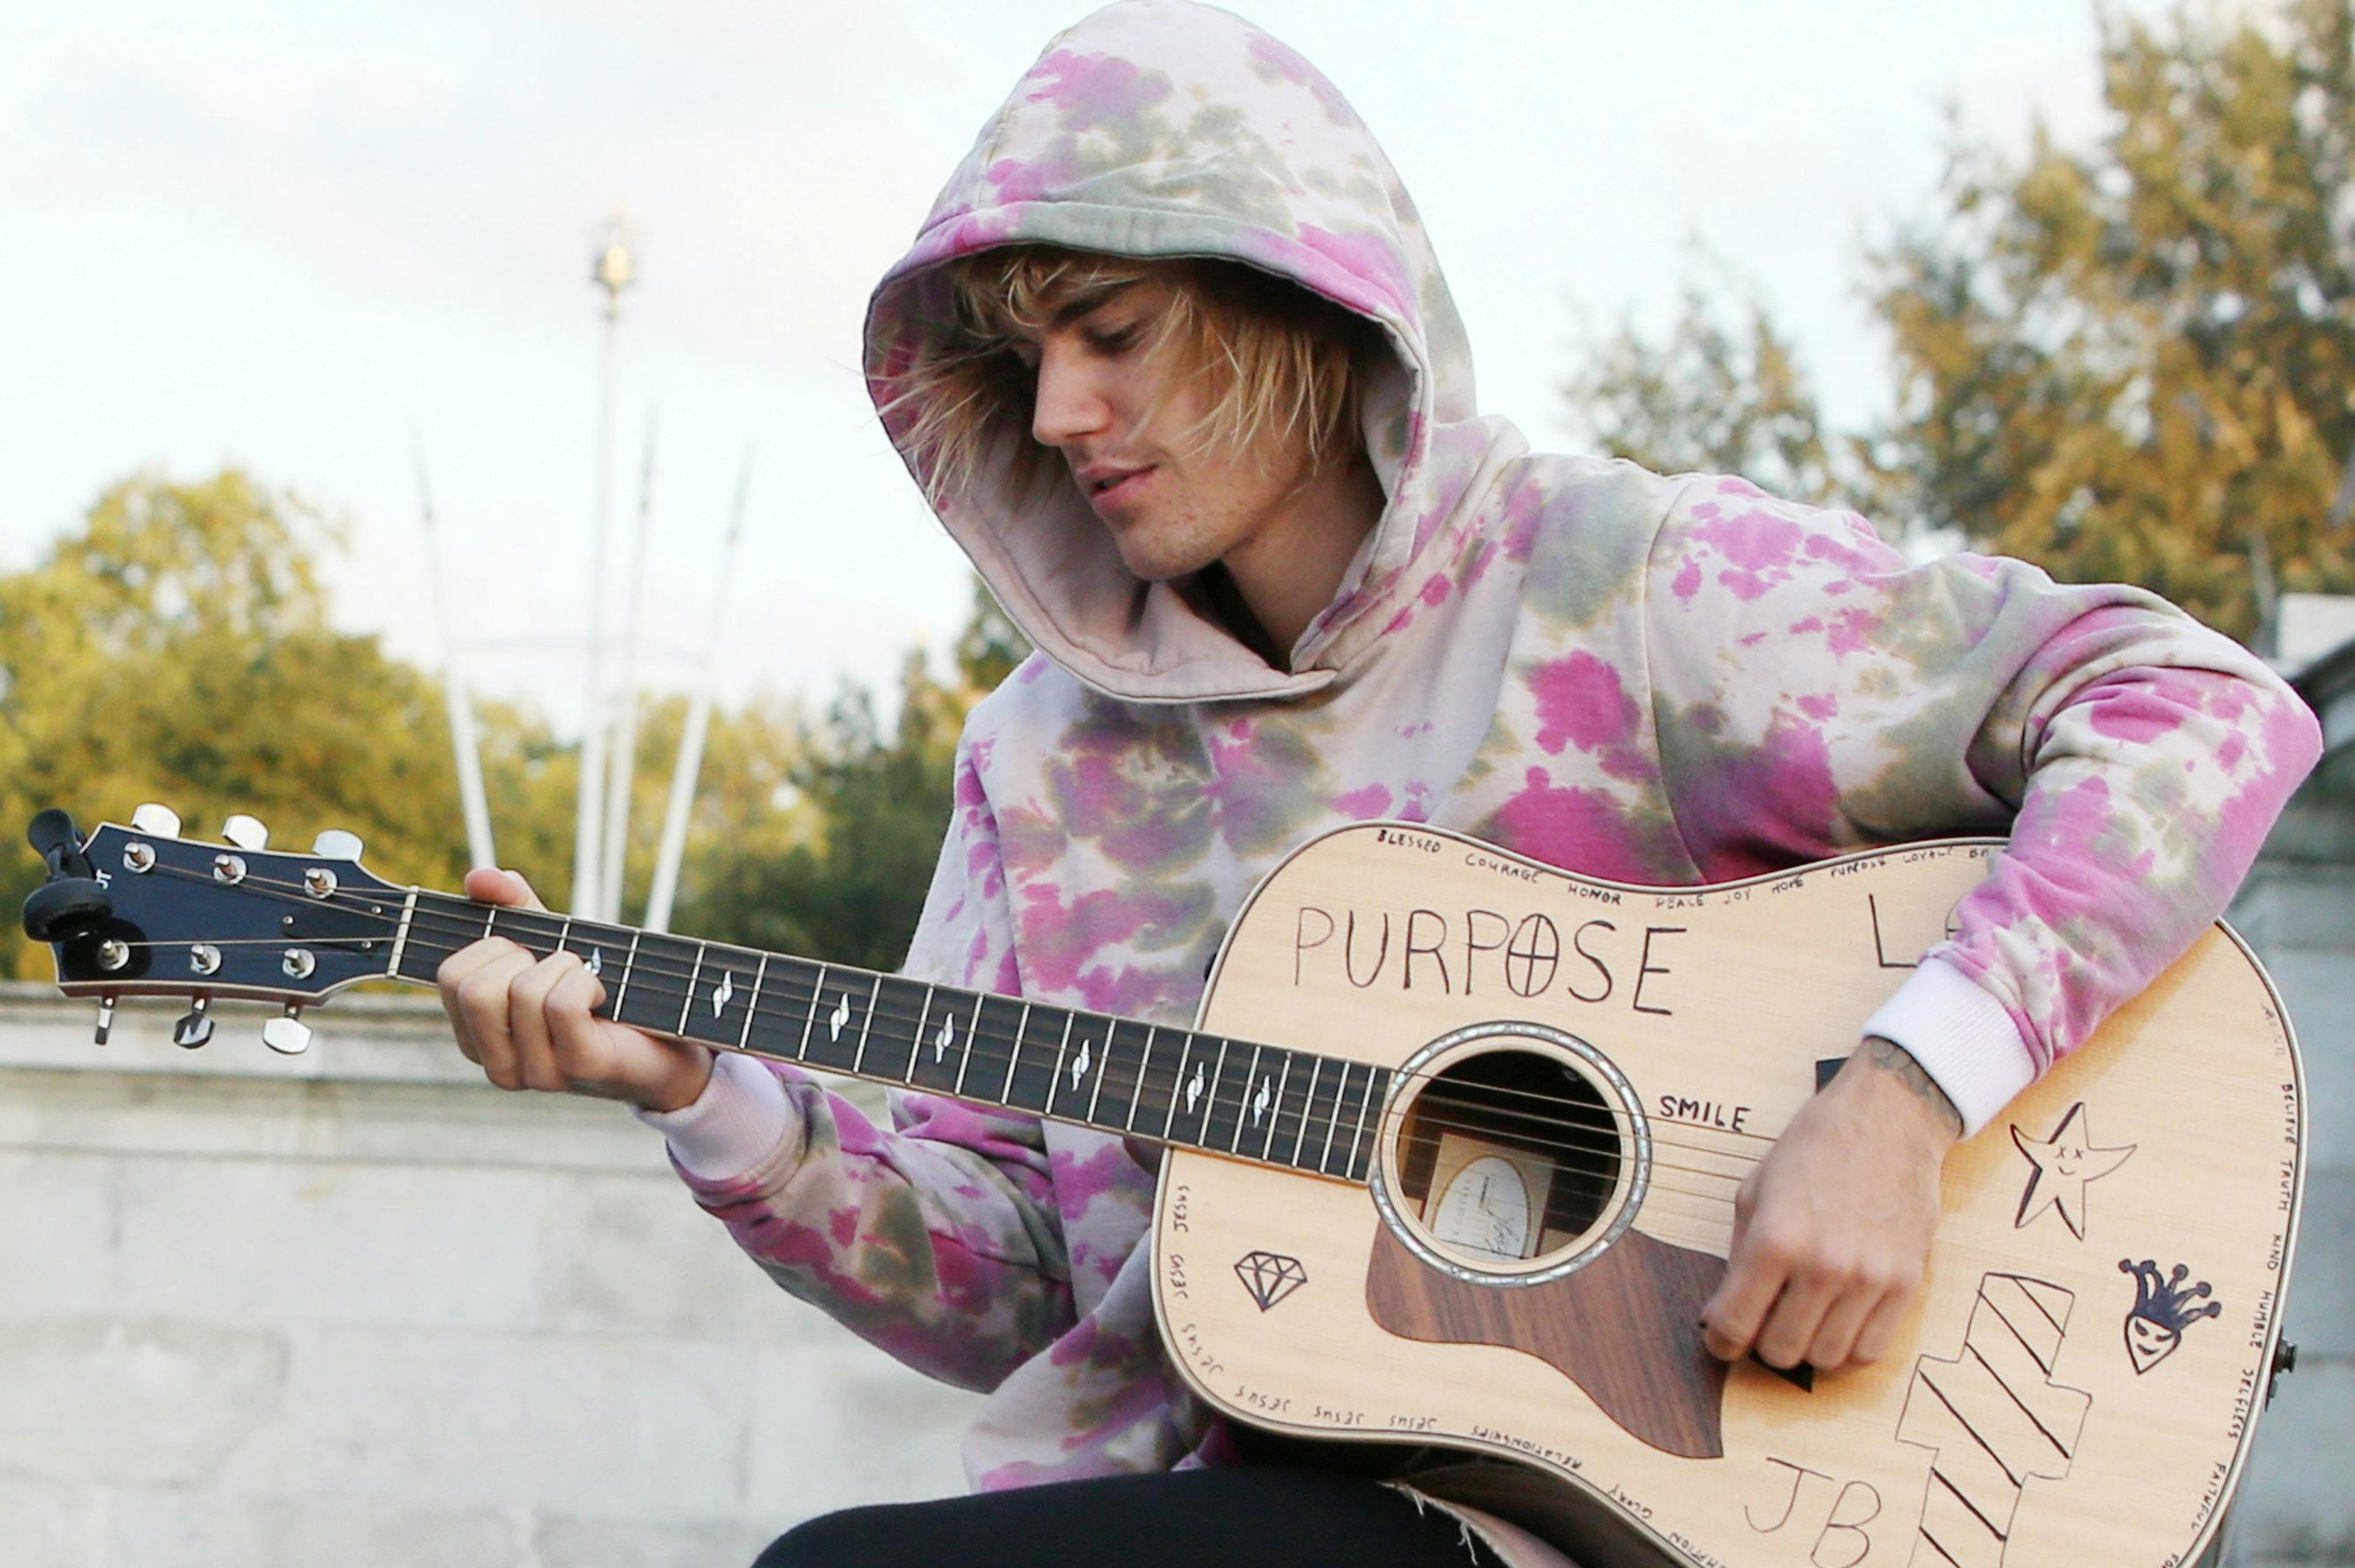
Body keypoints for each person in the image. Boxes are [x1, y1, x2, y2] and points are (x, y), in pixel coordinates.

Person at [434, 4, 2322, 1564]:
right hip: (1281, 1501)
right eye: (1027, 362)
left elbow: (2194, 709)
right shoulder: (1039, 761)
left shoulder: (1623, 588)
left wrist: (1902, 1101)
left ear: (1292, 297)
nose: (1062, 415)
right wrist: (702, 1095)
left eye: (1113, 335)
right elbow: (1029, 1288)